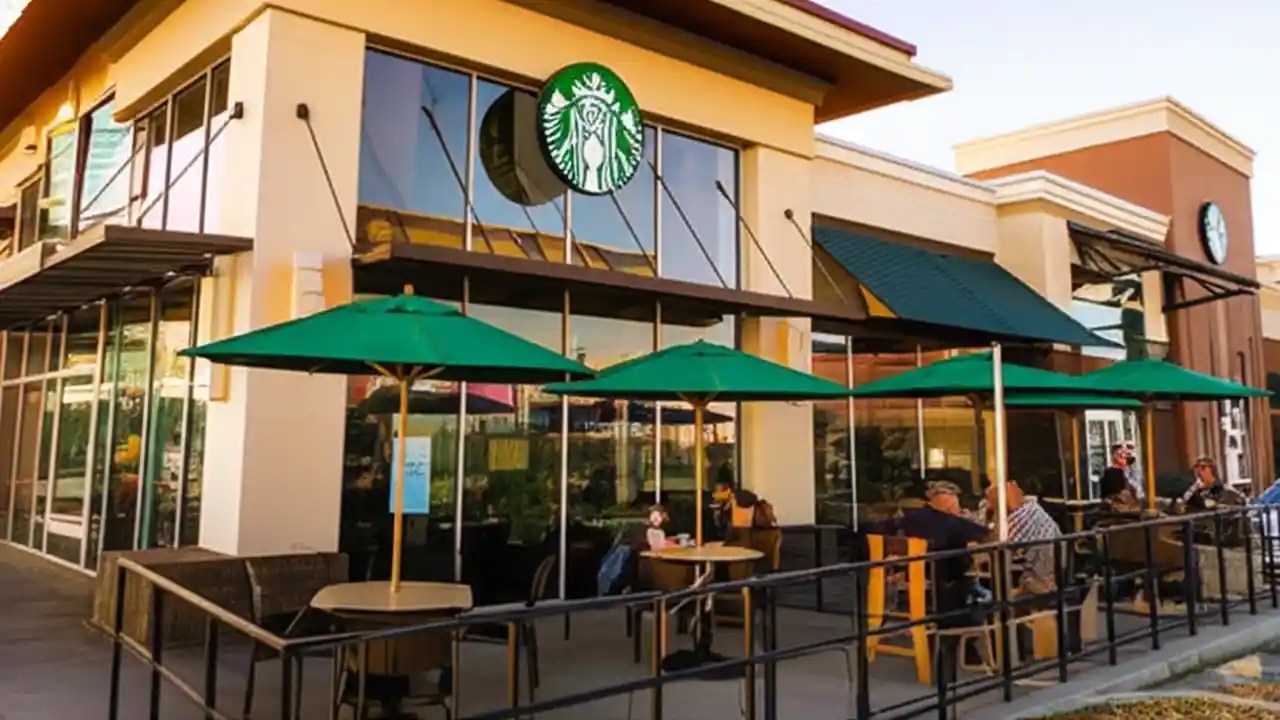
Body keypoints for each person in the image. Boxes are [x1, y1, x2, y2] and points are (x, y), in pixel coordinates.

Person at [987, 479, 1061, 594]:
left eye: (993, 502)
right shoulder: (1033, 509)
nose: (990, 505)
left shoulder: (1021, 518)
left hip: (1037, 582)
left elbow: (1000, 546)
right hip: (1052, 572)